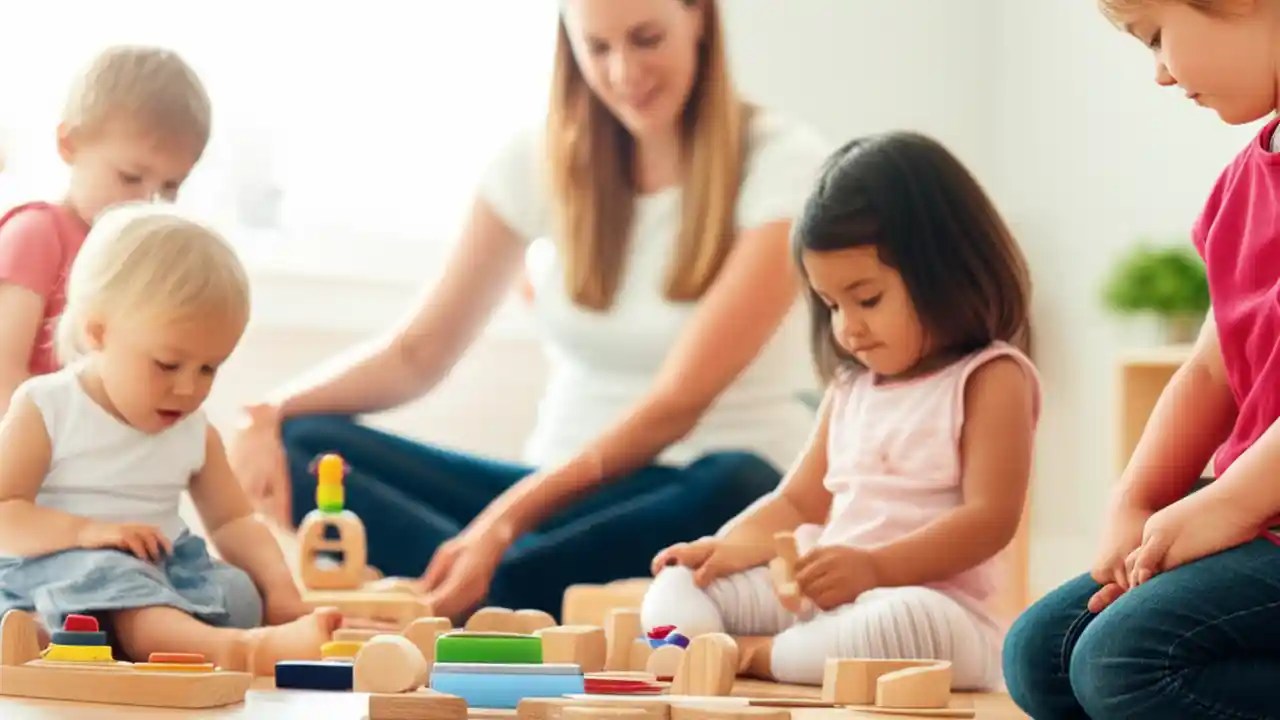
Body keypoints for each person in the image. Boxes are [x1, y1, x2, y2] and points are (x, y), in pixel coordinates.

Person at [228, 0, 829, 620]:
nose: (625, 72)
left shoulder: (783, 163)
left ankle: (482, 583)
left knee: (741, 481)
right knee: (310, 442)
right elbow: (418, 352)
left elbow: (675, 404)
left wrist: (503, 523)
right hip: (551, 497)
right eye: (598, 48)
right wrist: (269, 414)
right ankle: (500, 587)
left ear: (699, 19)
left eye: (647, 39)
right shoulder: (538, 158)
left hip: (693, 492)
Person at [639, 132, 1039, 688]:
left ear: (945, 273)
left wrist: (876, 570)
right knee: (682, 582)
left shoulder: (990, 378)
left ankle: (752, 656)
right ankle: (706, 652)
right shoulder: (852, 387)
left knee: (902, 625)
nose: (848, 326)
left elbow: (989, 521)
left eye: (867, 298)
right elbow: (798, 500)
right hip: (825, 597)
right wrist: (726, 549)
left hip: (934, 609)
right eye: (831, 305)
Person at [1003, 1, 1280, 717]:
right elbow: (1210, 371)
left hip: (1257, 509)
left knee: (1125, 661)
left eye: (1156, 37)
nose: (1158, 73)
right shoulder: (1242, 186)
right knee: (1044, 656)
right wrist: (1135, 500)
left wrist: (1227, 504)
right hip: (1257, 515)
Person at [0, 204, 340, 675]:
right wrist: (86, 532)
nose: (188, 388)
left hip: (159, 565)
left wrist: (280, 589)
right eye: (167, 364)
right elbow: (5, 513)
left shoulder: (194, 430)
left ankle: (141, 639)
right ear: (99, 333)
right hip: (58, 562)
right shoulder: (45, 406)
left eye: (208, 368)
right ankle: (233, 651)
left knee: (239, 591)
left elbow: (234, 522)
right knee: (115, 579)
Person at [0, 44, 211, 418]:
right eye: (130, 177)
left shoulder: (138, 256)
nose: (147, 202)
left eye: (170, 188)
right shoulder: (35, 235)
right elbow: (4, 372)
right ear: (70, 144)